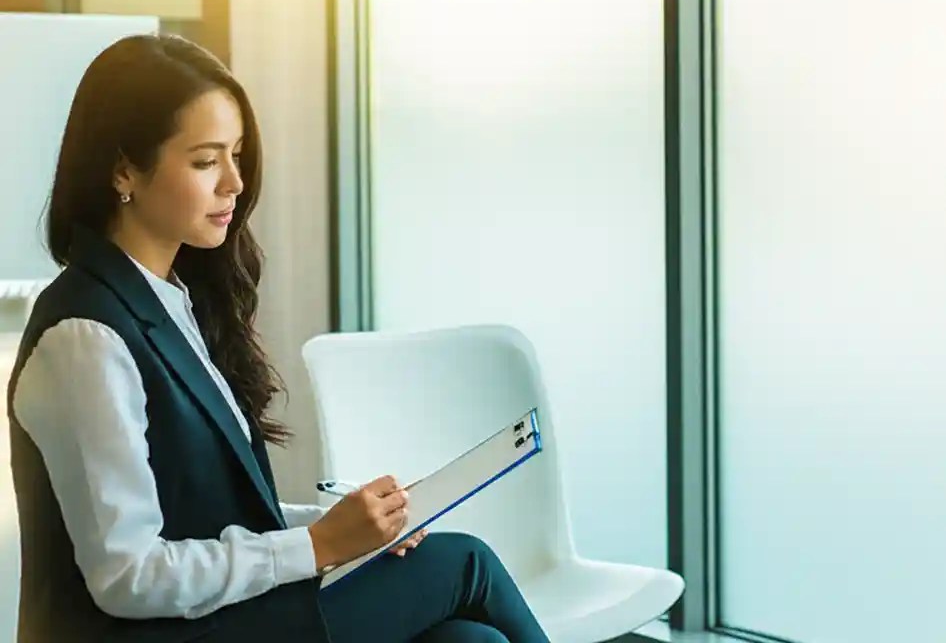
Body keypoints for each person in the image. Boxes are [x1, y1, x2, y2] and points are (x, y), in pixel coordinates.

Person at [5, 34, 551, 643]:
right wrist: (319, 545)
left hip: (217, 624)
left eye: (237, 154)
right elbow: (129, 576)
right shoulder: (85, 337)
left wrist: (350, 529)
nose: (235, 182)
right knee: (464, 561)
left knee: (470, 642)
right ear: (124, 170)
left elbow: (209, 523)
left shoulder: (171, 303)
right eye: (206, 160)